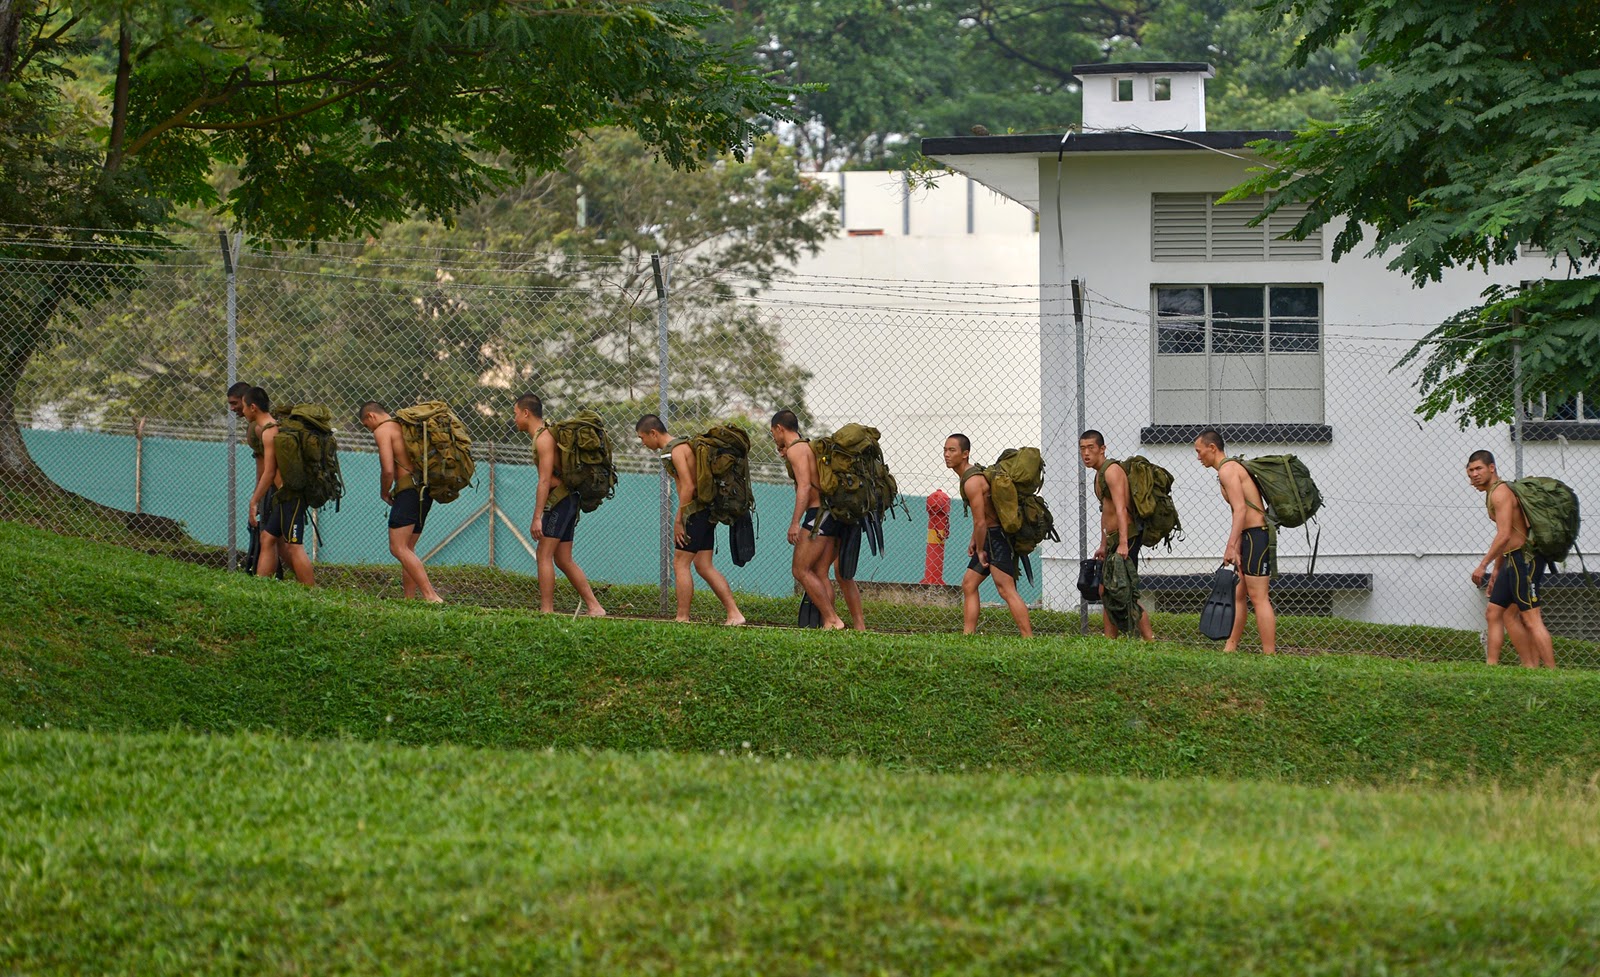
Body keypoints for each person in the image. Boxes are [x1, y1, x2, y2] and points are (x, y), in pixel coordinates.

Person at [634, 415, 745, 626]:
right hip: (706, 511)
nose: (643, 443)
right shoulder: (683, 446)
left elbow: (688, 487)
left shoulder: (676, 451)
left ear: (653, 433)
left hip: (695, 513)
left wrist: (679, 520)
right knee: (704, 565)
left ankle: (682, 617)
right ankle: (734, 613)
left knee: (680, 563)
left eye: (642, 438)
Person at [513, 393, 606, 618]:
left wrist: (537, 517)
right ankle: (595, 607)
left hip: (561, 502)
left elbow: (545, 480)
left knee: (544, 554)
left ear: (526, 413)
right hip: (567, 501)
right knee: (563, 559)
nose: (514, 418)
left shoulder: (544, 438)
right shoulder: (544, 436)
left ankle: (547, 610)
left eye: (515, 414)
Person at [1467, 449, 1556, 667]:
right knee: (1495, 612)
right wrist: (1497, 570)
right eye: (1469, 471)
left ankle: (1555, 674)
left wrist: (1483, 565)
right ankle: (1497, 666)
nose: (1474, 475)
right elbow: (1507, 536)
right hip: (1512, 559)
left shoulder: (1500, 492)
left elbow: (1505, 534)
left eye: (1478, 469)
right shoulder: (1493, 493)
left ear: (1491, 468)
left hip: (1526, 559)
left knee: (1531, 618)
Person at [1193, 429, 1274, 653]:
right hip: (1247, 536)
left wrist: (1229, 546)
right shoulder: (1225, 471)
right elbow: (1238, 511)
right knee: (1238, 594)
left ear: (1212, 448)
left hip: (1257, 536)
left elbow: (1240, 510)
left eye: (1199, 452)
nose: (1198, 457)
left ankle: (1271, 654)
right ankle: (1230, 647)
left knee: (1259, 598)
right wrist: (1236, 545)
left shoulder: (1228, 470)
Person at [944, 433, 1032, 637]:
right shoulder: (970, 477)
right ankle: (968, 636)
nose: (947, 455)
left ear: (965, 454)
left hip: (996, 539)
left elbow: (981, 521)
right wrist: (975, 539)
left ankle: (1029, 638)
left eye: (952, 450)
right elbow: (983, 516)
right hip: (989, 537)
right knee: (969, 584)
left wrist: (982, 549)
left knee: (1005, 589)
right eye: (945, 450)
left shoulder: (972, 482)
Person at [358, 402, 444, 603]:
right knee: (408, 548)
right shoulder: (407, 426)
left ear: (371, 416)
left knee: (397, 548)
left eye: (365, 424)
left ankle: (431, 596)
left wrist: (384, 492)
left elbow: (388, 469)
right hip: (425, 491)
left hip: (408, 492)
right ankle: (409, 599)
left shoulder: (383, 430)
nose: (368, 429)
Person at [771, 409, 847, 630]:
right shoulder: (807, 446)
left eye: (772, 433)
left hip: (818, 515)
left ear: (780, 429)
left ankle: (832, 619)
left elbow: (804, 486)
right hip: (830, 513)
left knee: (800, 569)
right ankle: (828, 623)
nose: (774, 438)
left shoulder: (796, 451)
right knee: (819, 572)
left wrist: (795, 522)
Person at [1079, 429, 1154, 640]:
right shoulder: (1099, 475)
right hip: (1113, 540)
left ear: (1102, 449)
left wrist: (1122, 543)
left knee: (1124, 592)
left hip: (1127, 538)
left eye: (1091, 448)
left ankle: (1150, 640)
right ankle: (1109, 640)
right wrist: (1104, 544)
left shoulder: (1112, 471)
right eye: (1082, 448)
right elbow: (1107, 512)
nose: (1086, 453)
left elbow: (1121, 509)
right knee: (1106, 591)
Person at [242, 387, 315, 586]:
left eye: (244, 407)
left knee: (294, 546)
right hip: (283, 496)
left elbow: (269, 472)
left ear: (253, 407)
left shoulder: (269, 431)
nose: (243, 412)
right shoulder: (270, 428)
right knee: (267, 538)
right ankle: (260, 589)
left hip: (292, 495)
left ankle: (314, 595)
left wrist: (254, 500)